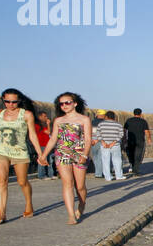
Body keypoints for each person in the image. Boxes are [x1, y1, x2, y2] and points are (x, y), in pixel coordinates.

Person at [0, 88, 46, 224]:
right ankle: (2, 214)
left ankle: (28, 204)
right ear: (3, 100)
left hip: (20, 152)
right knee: (1, 181)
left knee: (22, 182)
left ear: (19, 101)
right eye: (7, 101)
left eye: (14, 102)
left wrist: (40, 154)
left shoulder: (26, 114)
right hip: (1, 151)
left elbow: (32, 134)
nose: (10, 104)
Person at [40, 92, 92, 225]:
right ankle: (70, 215)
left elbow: (87, 139)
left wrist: (85, 155)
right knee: (67, 183)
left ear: (75, 103)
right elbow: (53, 139)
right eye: (61, 103)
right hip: (62, 153)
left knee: (80, 186)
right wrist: (44, 155)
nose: (64, 105)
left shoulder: (84, 119)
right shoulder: (58, 120)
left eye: (67, 102)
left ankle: (81, 205)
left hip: (79, 153)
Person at [95, 110, 126, 181]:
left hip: (104, 145)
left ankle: (108, 177)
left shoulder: (101, 124)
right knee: (117, 160)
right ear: (114, 117)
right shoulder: (118, 125)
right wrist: (113, 142)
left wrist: (103, 142)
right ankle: (119, 176)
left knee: (105, 160)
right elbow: (121, 135)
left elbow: (98, 134)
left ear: (106, 117)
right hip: (115, 145)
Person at [124, 108, 150, 175]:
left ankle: (132, 166)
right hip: (140, 141)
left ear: (133, 113)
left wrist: (124, 138)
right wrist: (149, 139)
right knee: (138, 156)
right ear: (141, 114)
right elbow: (146, 131)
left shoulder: (128, 120)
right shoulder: (143, 121)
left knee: (131, 154)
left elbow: (124, 130)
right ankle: (136, 171)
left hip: (130, 140)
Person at [34, 110, 54, 179]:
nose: (46, 118)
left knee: (49, 160)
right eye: (44, 116)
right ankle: (41, 175)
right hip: (41, 145)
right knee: (42, 159)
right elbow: (48, 132)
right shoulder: (37, 125)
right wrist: (48, 124)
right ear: (40, 117)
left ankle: (50, 174)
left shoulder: (42, 125)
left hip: (46, 144)